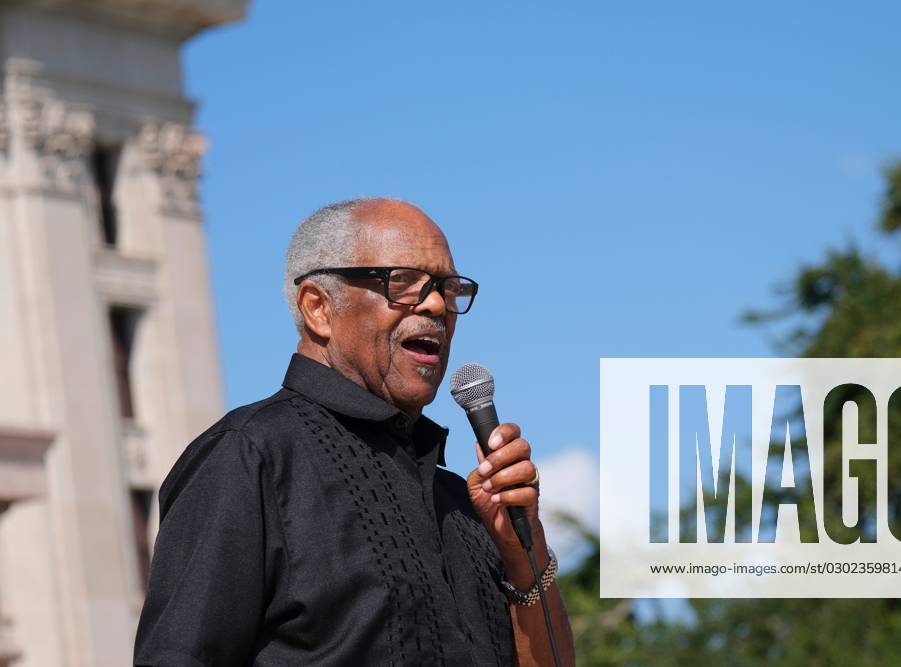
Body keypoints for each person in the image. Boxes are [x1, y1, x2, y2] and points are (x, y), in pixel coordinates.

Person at [134, 198, 575, 666]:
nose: (434, 304)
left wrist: (520, 551)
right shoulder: (249, 456)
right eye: (402, 282)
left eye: (448, 288)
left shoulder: (463, 503)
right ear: (319, 308)